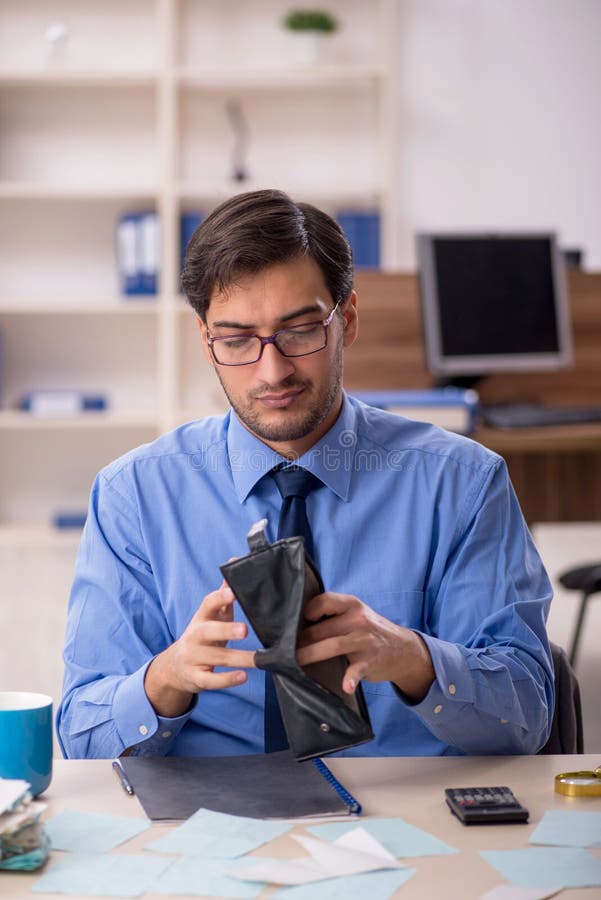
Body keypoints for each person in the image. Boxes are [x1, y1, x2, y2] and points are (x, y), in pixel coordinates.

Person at [57, 189, 554, 759]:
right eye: (238, 339)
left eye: (299, 331)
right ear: (206, 341)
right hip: (209, 831)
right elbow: (80, 741)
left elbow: (529, 719)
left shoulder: (462, 483)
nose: (273, 371)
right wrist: (166, 678)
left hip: (408, 827)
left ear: (347, 318)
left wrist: (414, 658)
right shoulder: (134, 496)